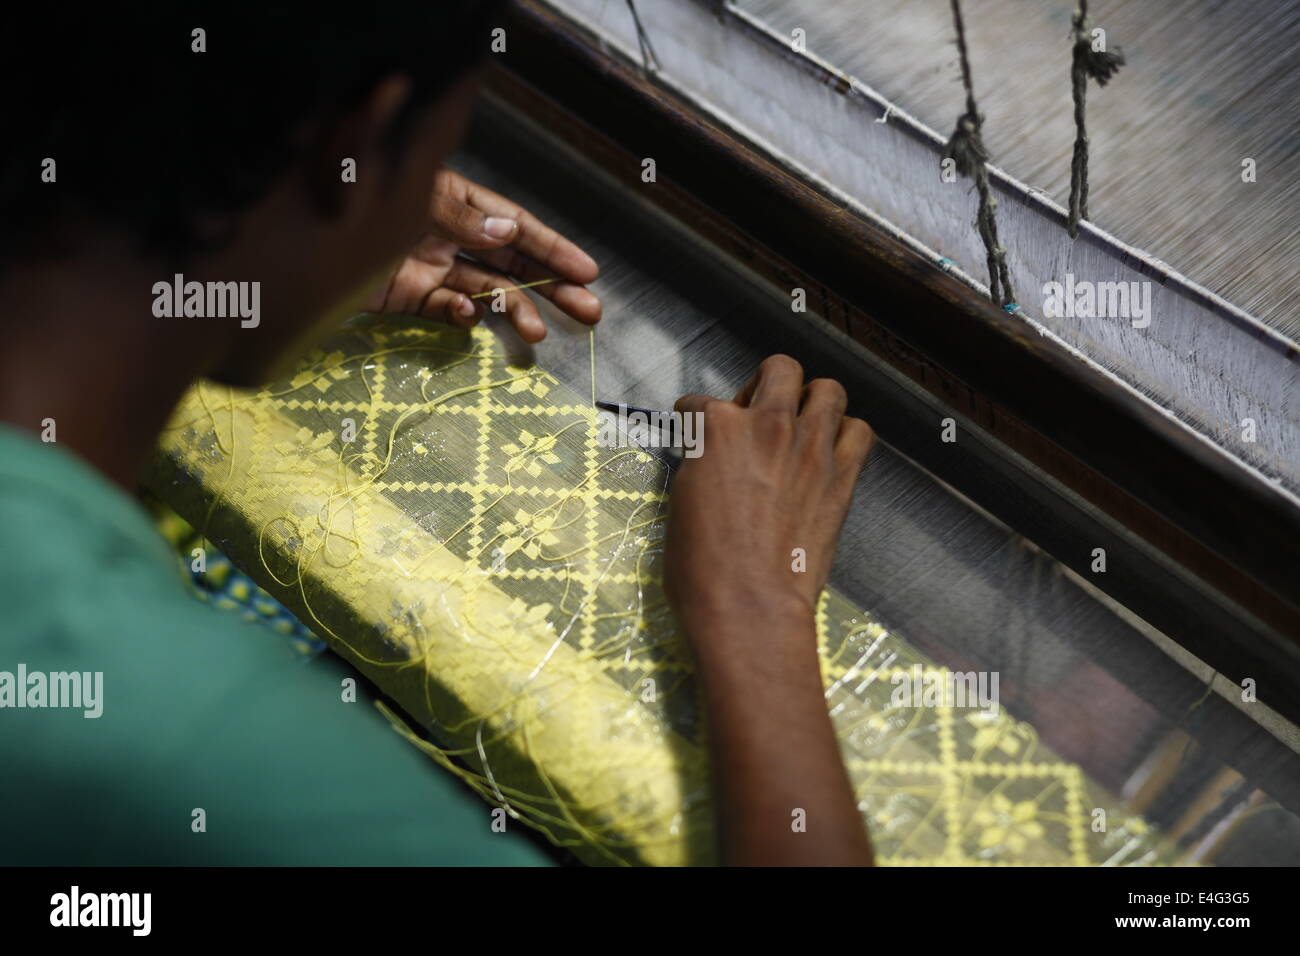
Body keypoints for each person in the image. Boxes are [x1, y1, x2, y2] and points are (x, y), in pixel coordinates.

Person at [0, 4, 874, 866]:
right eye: (435, 153)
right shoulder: (203, 745)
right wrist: (756, 606)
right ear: (356, 144)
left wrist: (283, 246)